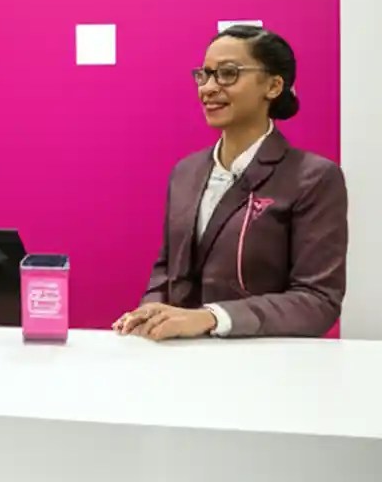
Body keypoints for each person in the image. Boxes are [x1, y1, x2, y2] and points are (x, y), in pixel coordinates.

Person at [115, 25, 347, 340]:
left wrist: (211, 318)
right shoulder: (186, 172)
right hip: (181, 355)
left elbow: (317, 301)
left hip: (265, 358)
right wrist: (151, 310)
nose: (208, 88)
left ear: (273, 85)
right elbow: (167, 269)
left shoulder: (313, 178)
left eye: (228, 74)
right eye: (204, 75)